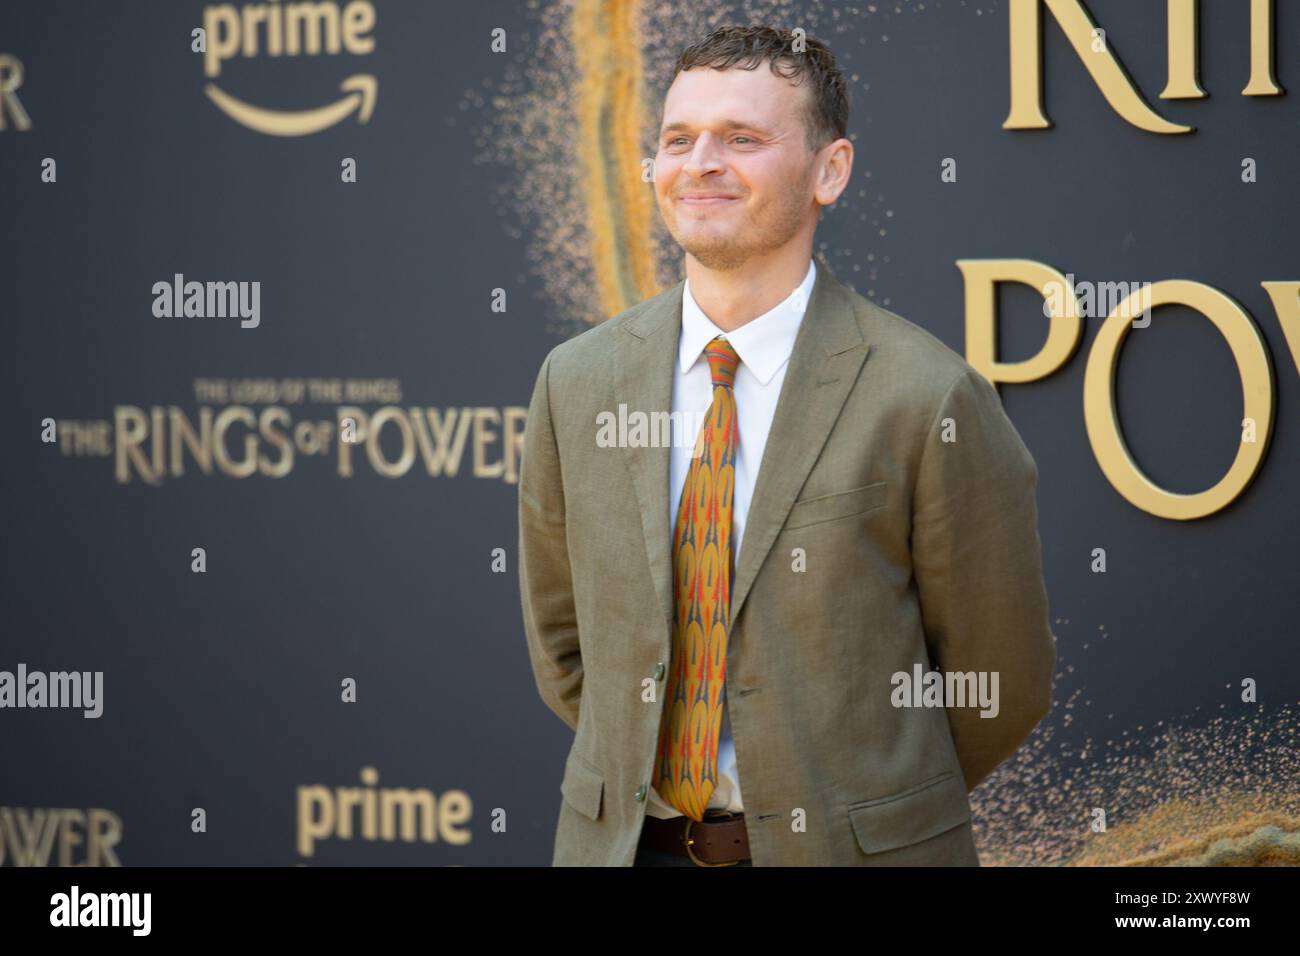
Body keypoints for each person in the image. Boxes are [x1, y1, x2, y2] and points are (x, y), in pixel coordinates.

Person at [518, 24, 1055, 866]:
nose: (700, 163)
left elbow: (1000, 684)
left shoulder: (927, 395)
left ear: (829, 171)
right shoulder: (576, 381)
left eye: (742, 138)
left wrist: (859, 800)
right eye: (679, 139)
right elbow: (565, 649)